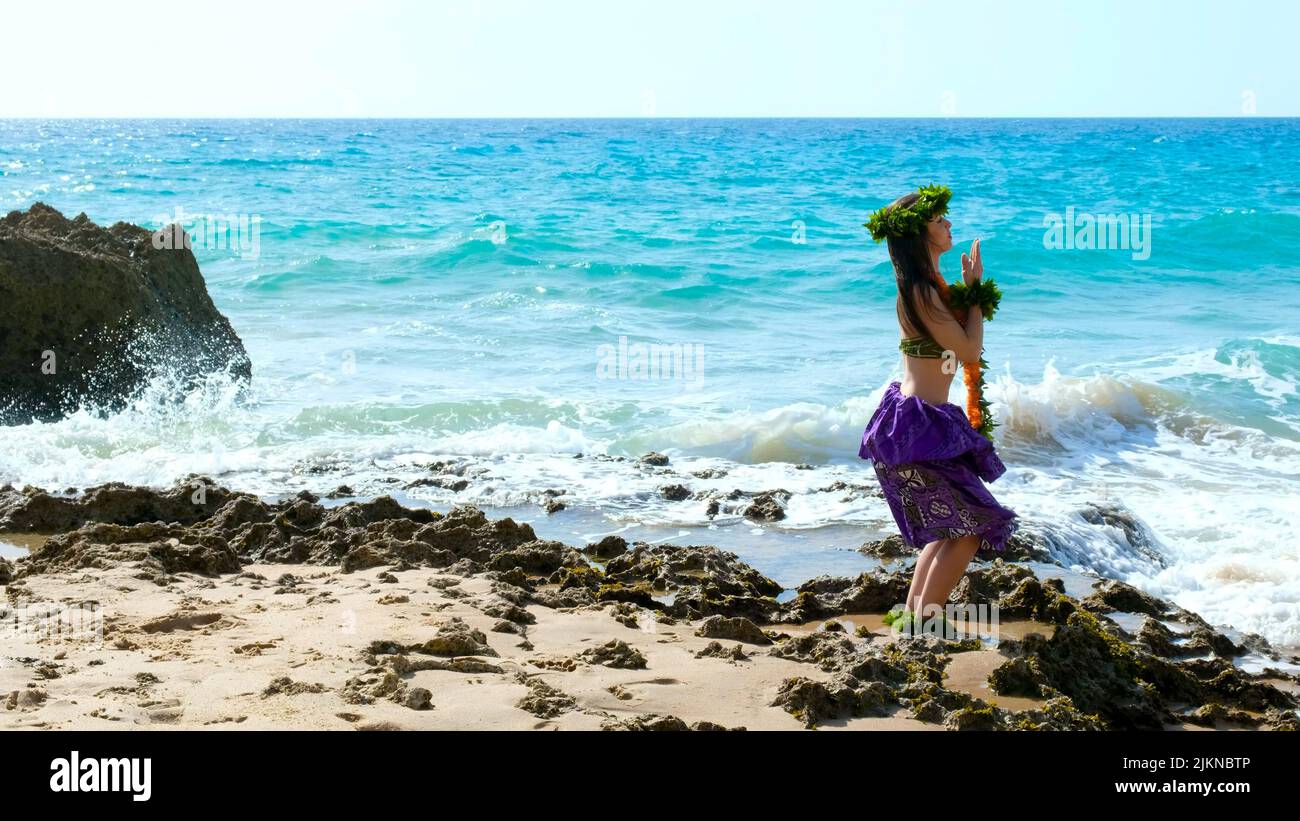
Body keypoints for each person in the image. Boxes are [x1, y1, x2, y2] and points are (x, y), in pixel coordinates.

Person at [858, 184, 1017, 636]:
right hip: (917, 430)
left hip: (918, 424)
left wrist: (968, 294)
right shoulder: (924, 292)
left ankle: (913, 626)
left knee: (949, 531)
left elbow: (954, 339)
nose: (949, 225)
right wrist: (977, 294)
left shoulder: (927, 287)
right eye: (940, 220)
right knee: (969, 530)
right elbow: (968, 349)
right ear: (919, 233)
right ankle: (922, 630)